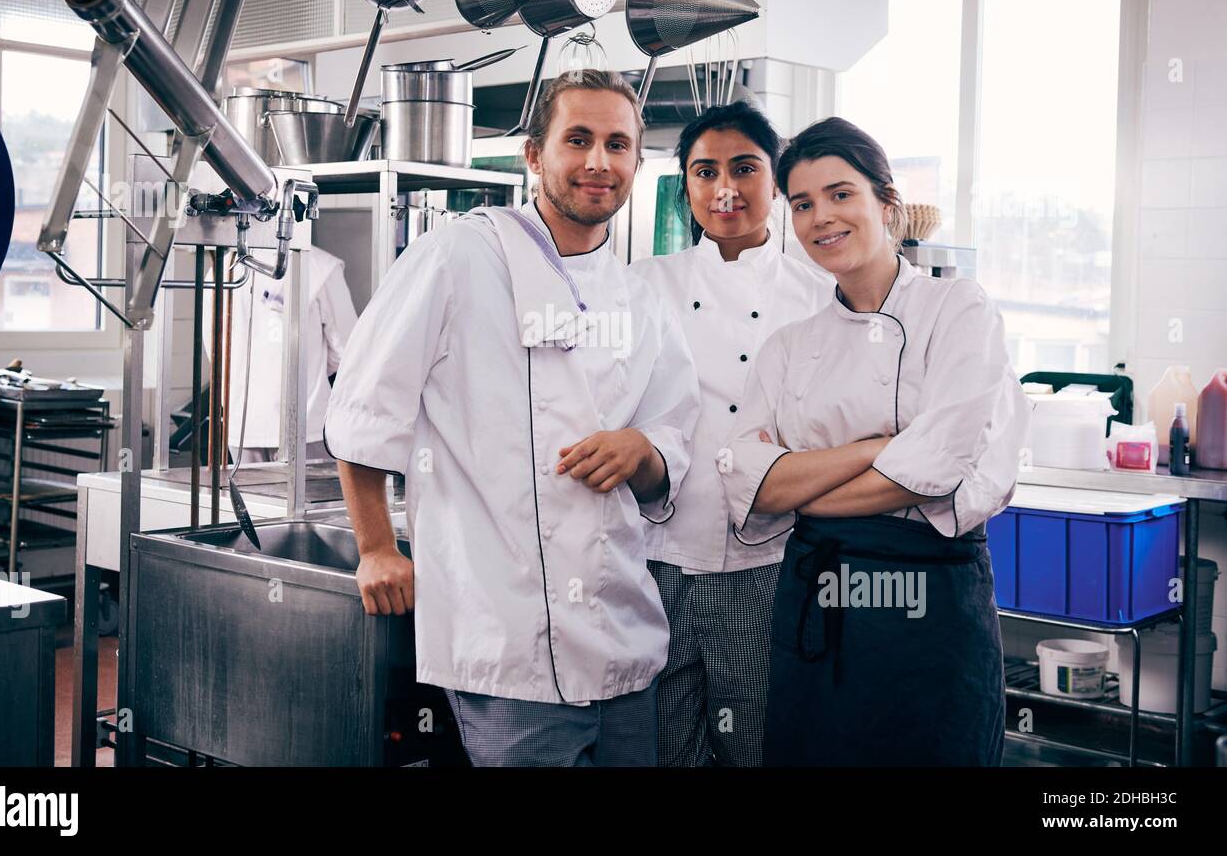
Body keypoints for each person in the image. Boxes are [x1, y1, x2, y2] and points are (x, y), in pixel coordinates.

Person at [324, 69, 700, 767]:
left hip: (622, 639)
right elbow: (363, 407)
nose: (598, 162)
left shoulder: (638, 298)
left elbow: (673, 441)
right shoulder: (460, 254)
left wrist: (639, 449)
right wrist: (377, 546)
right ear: (534, 155)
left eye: (617, 145)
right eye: (577, 139)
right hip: (507, 644)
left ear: (636, 165)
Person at [721, 117, 1030, 766]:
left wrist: (807, 489)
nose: (820, 218)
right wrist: (874, 448)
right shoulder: (788, 347)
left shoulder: (959, 311)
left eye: (840, 194)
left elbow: (938, 467)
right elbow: (749, 482)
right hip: (820, 598)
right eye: (802, 204)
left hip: (932, 601)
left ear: (887, 204)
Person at [627, 102, 830, 766]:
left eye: (745, 168)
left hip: (769, 563)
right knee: (661, 748)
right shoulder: (643, 286)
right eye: (704, 171)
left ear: (775, 180)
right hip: (657, 558)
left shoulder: (821, 295)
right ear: (684, 185)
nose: (725, 189)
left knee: (755, 748)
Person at [204, 246, 357, 465]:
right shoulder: (320, 266)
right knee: (308, 497)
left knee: (251, 499)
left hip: (243, 425)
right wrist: (313, 369)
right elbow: (348, 352)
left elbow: (215, 351)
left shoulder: (224, 267)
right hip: (305, 424)